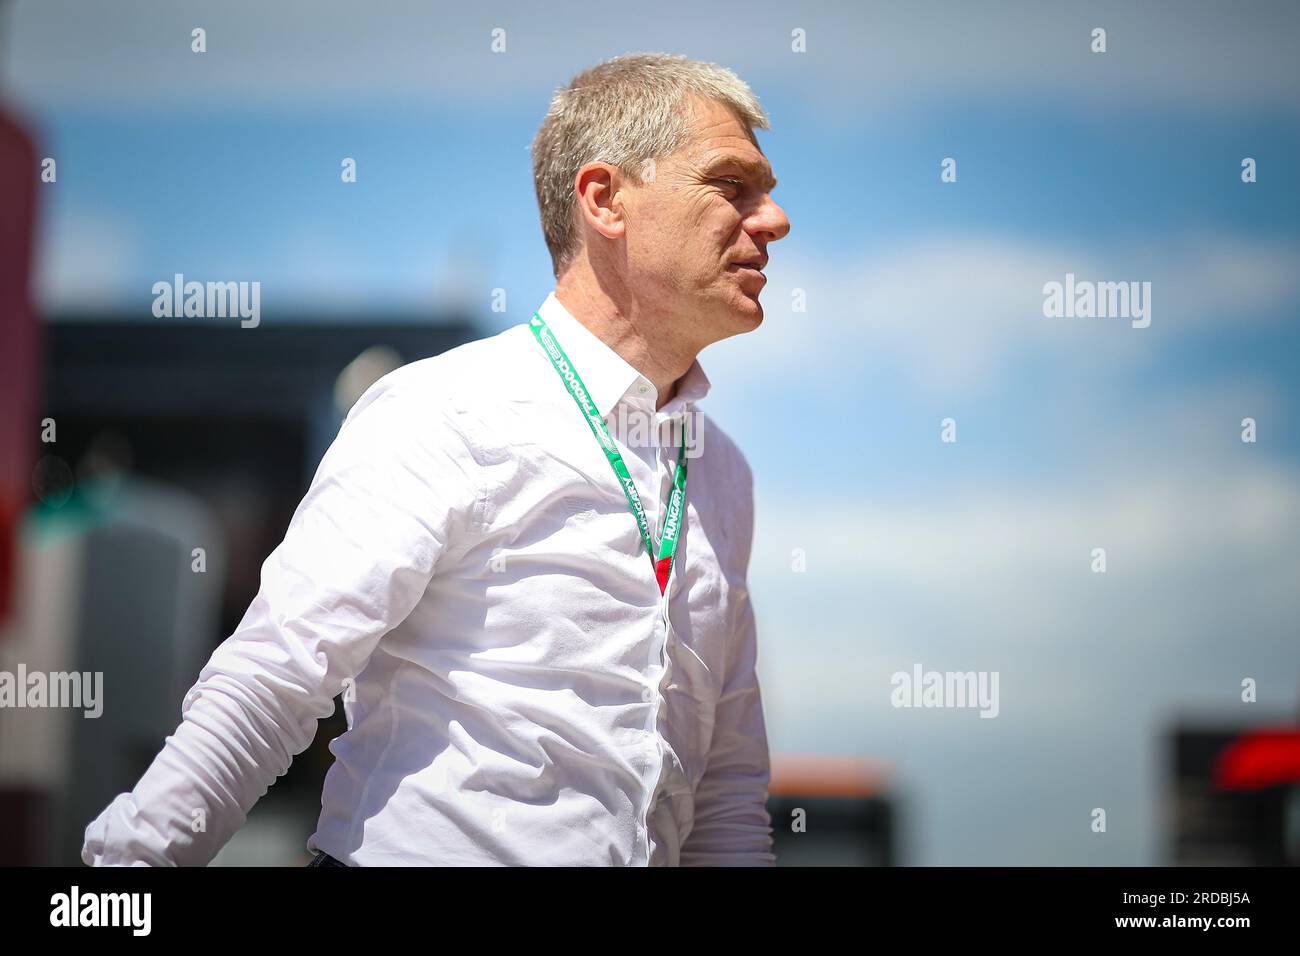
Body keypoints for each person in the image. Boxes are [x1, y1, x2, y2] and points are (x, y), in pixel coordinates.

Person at [81, 51, 791, 866]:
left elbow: (728, 793)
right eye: (732, 186)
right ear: (605, 200)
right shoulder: (444, 411)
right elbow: (275, 680)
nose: (773, 220)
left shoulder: (723, 473)